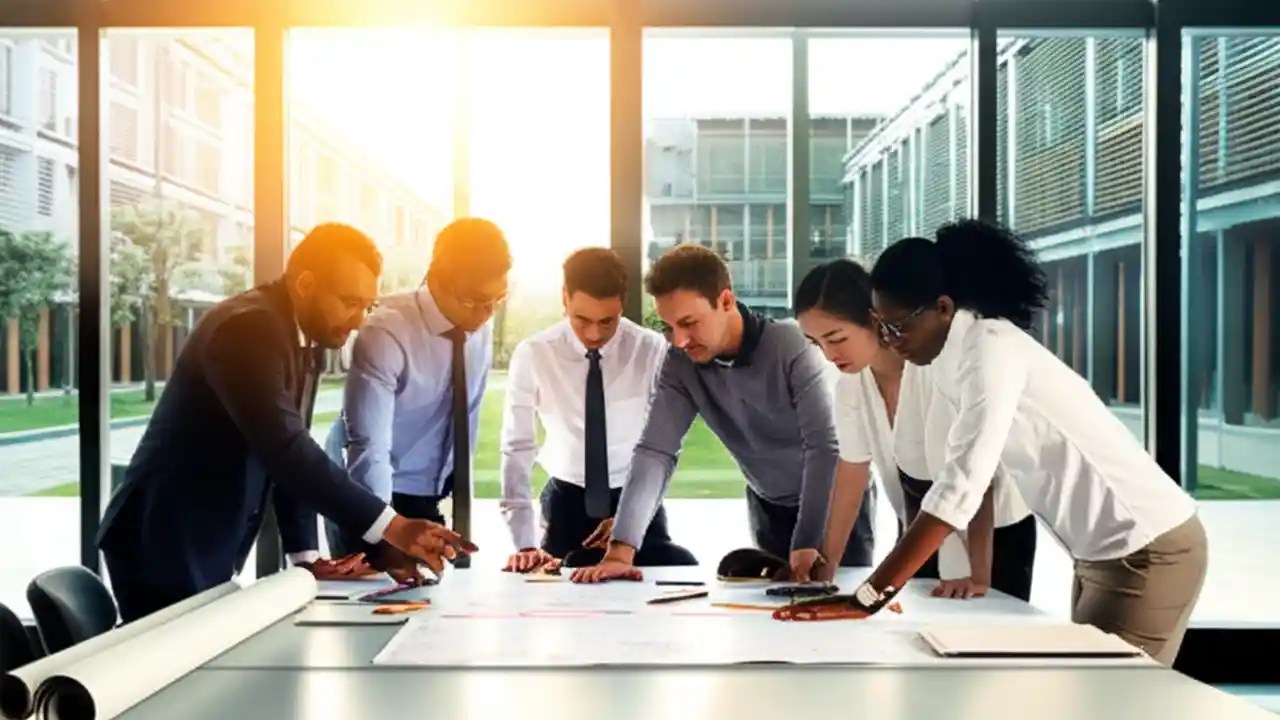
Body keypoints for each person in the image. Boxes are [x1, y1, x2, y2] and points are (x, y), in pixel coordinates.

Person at [775, 220, 1207, 668]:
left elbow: (961, 484)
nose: (891, 341)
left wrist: (867, 597)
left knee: (1115, 702)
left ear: (942, 307)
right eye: (882, 328)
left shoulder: (991, 348)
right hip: (1098, 557)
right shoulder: (945, 357)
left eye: (898, 327)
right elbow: (932, 472)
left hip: (1149, 547)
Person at [98, 223, 475, 623]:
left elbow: (286, 454)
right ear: (307, 283)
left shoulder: (294, 334)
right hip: (163, 540)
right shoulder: (249, 329)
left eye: (367, 305)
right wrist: (394, 526)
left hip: (194, 539)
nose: (358, 321)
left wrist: (306, 560)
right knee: (174, 674)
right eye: (349, 301)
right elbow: (287, 451)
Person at [570, 244, 875, 584]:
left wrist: (806, 542)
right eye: (669, 327)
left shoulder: (791, 345)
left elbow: (823, 448)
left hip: (836, 506)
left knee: (842, 614)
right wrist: (620, 551)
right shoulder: (679, 364)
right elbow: (656, 450)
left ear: (726, 301)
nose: (680, 340)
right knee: (774, 624)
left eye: (689, 323)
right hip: (768, 508)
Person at [794, 258, 1038, 600]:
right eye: (816, 343)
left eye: (836, 338)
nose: (829, 354)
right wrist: (826, 565)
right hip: (920, 526)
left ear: (874, 319)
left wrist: (974, 572)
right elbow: (851, 470)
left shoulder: (931, 367)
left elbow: (975, 477)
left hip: (993, 530)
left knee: (984, 640)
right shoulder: (851, 385)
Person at [325, 218, 510, 569]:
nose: (487, 313)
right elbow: (369, 448)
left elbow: (466, 416)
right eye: (475, 300)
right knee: (374, 605)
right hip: (370, 494)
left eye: (497, 300)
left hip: (430, 495)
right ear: (437, 279)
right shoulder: (386, 331)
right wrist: (380, 537)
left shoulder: (478, 326)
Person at [500, 248, 698, 571]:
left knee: (645, 604)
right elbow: (517, 447)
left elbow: (664, 447)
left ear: (622, 302)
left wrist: (628, 520)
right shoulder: (534, 355)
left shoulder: (651, 351)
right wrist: (524, 542)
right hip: (565, 502)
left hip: (636, 497)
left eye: (607, 321)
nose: (594, 334)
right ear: (565, 298)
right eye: (582, 320)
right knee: (560, 601)